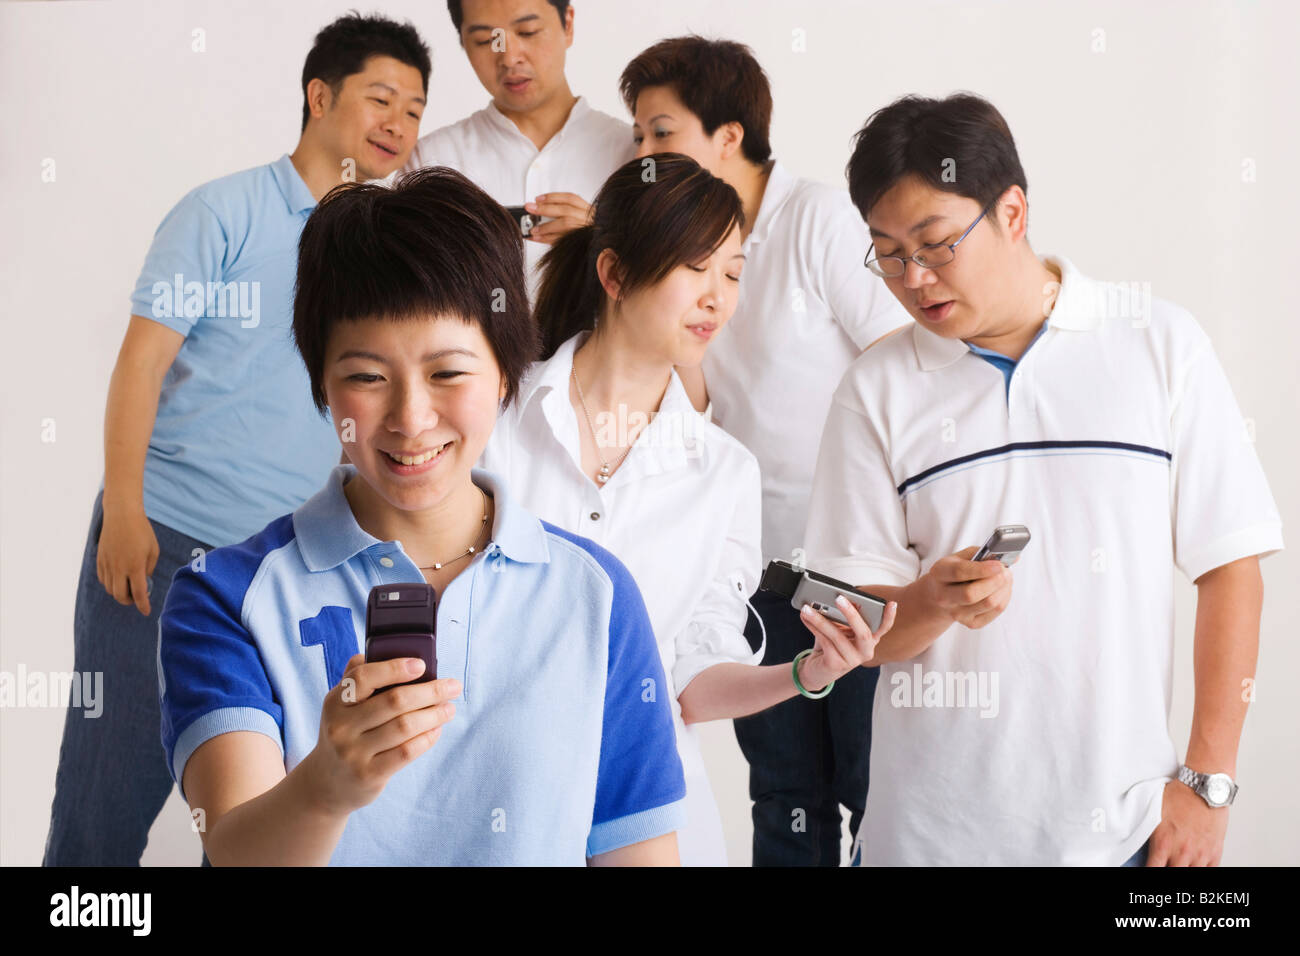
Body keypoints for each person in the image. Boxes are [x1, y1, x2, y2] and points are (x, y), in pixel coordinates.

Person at [802, 92, 1284, 866]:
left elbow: (1231, 568)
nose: (913, 278)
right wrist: (929, 603)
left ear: (1013, 212)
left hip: (1123, 838)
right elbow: (854, 630)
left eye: (934, 244)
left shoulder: (1158, 346)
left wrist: (1208, 785)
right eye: (888, 254)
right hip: (922, 842)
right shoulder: (874, 389)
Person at [156, 166, 687, 866]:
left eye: (447, 373)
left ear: (504, 370)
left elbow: (637, 853)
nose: (411, 418)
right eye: (367, 377)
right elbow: (233, 850)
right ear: (322, 382)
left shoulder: (597, 595)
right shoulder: (224, 598)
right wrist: (325, 788)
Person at [43, 13, 431, 866]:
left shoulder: (378, 253)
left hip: (293, 568)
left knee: (275, 821)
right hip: (168, 545)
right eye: (380, 98)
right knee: (103, 809)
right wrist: (125, 513)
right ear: (319, 96)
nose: (399, 123)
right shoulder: (225, 211)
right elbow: (140, 366)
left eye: (414, 108)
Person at [481, 153, 897, 866]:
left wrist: (808, 674)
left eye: (733, 273)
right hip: (490, 795)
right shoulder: (496, 414)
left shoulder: (725, 472)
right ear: (613, 276)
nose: (717, 298)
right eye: (694, 268)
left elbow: (695, 679)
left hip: (650, 813)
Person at [620, 36, 909, 866]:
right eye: (638, 136)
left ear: (730, 137)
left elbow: (904, 363)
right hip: (759, 567)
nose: (642, 152)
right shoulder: (685, 249)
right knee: (783, 795)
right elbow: (701, 417)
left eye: (659, 132)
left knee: (868, 787)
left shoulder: (813, 217)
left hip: (855, 566)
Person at [404, 0, 632, 299]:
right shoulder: (431, 160)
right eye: (485, 40)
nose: (509, 58)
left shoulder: (633, 154)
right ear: (462, 42)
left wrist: (603, 242)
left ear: (568, 25)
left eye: (528, 31)